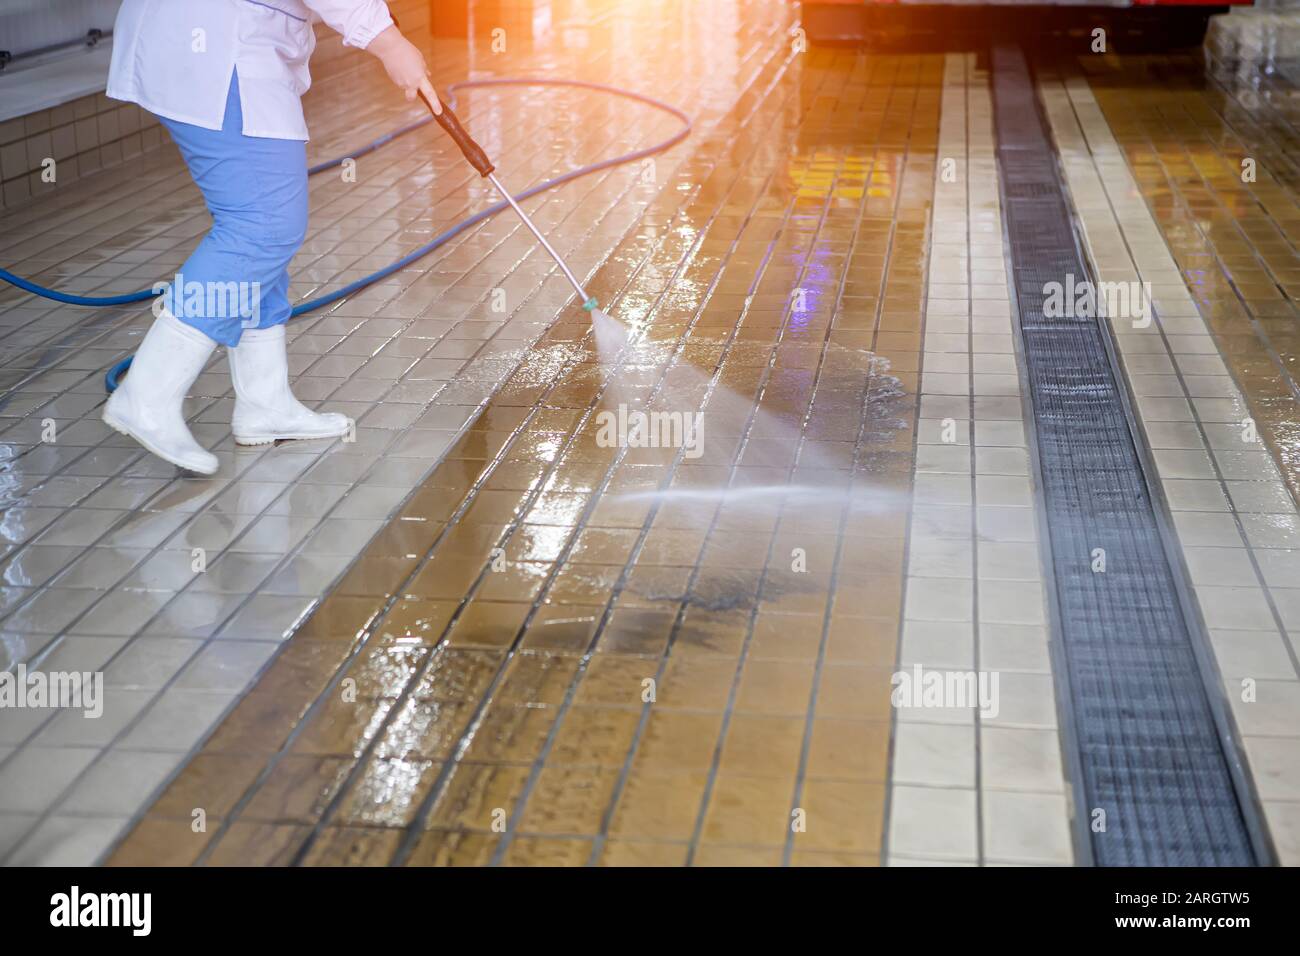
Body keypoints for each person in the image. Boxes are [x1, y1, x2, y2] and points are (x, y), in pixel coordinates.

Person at [103, 0, 430, 474]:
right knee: (262, 226)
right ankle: (147, 393)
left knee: (269, 225)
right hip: (216, 43)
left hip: (233, 40)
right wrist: (390, 42)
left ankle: (265, 403)